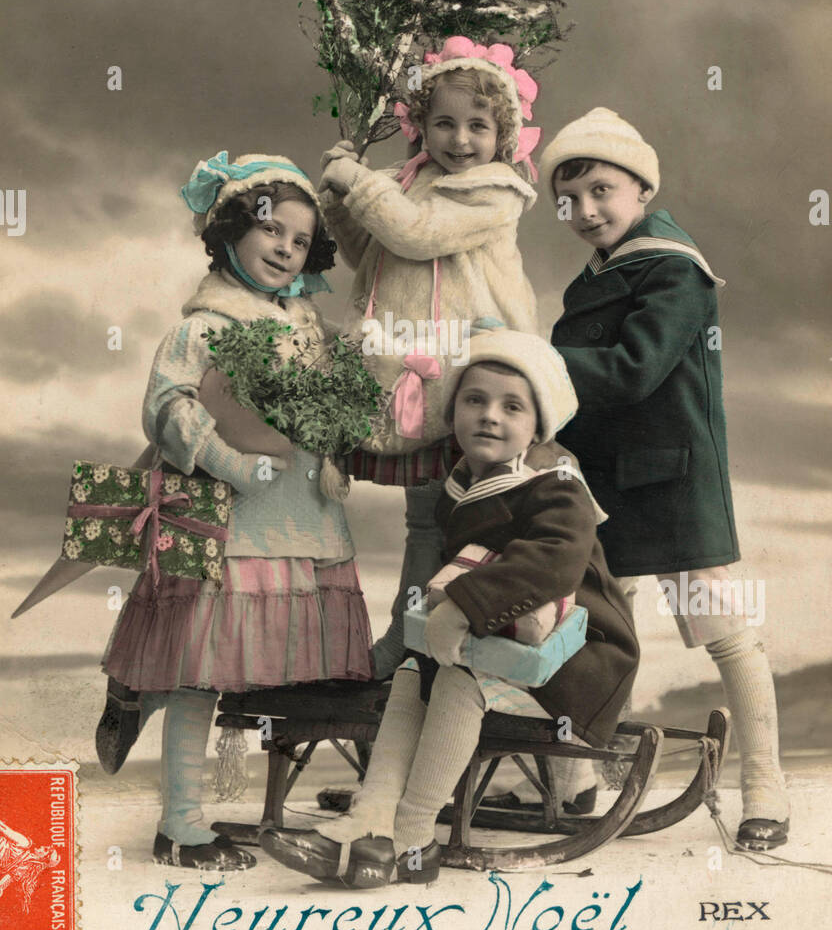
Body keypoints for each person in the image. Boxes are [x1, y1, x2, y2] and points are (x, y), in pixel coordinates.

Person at [259, 329, 638, 887]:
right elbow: (457, 565)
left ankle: (413, 834)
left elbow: (554, 561)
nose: (490, 416)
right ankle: (367, 824)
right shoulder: (460, 482)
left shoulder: (555, 483)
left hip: (573, 656)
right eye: (474, 400)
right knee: (414, 674)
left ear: (538, 425)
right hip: (498, 639)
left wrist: (461, 607)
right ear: (453, 409)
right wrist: (441, 612)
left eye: (512, 407)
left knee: (461, 682)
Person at [97, 153, 374, 870]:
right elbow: (167, 408)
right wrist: (227, 461)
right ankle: (181, 825)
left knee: (274, 669)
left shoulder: (309, 324)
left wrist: (337, 448)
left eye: (298, 238)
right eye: (269, 230)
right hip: (227, 523)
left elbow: (320, 413)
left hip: (301, 524)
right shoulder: (207, 326)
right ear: (226, 233)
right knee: (200, 671)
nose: (284, 247)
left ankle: (269, 806)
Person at [537, 107, 789, 850]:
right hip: (604, 484)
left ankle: (766, 790)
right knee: (586, 628)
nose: (585, 211)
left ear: (642, 187)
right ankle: (576, 780)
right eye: (569, 199)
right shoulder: (596, 279)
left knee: (727, 634)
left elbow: (633, 369)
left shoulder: (674, 270)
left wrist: (534, 359)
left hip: (673, 481)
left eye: (602, 191)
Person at [318, 36, 542, 680]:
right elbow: (376, 254)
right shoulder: (405, 181)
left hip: (471, 373)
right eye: (444, 123)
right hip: (405, 366)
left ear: (503, 134)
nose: (460, 139)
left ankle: (455, 642)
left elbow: (418, 236)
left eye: (478, 125)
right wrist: (341, 201)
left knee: (465, 516)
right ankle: (407, 638)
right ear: (420, 126)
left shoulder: (497, 190)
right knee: (422, 521)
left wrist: (360, 184)